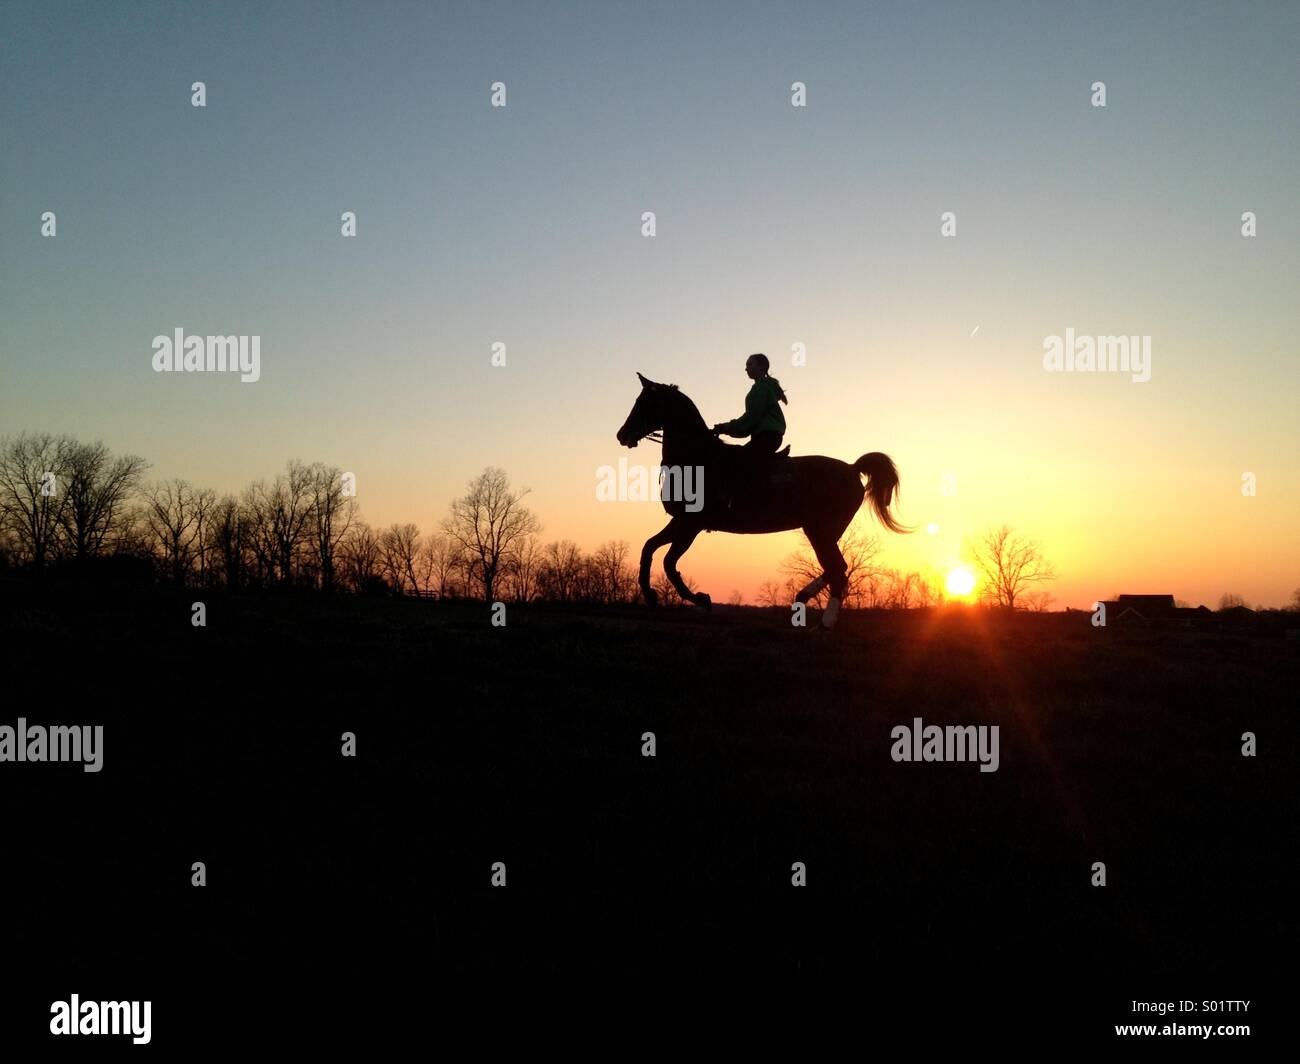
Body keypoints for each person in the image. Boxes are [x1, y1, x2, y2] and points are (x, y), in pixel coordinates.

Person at [711, 353, 789, 510]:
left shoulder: (761, 388)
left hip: (766, 436)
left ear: (761, 367)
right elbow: (750, 421)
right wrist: (727, 427)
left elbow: (751, 419)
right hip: (768, 436)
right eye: (747, 365)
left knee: (737, 461)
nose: (746, 368)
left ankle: (736, 502)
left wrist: (725, 427)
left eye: (750, 364)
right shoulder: (764, 387)